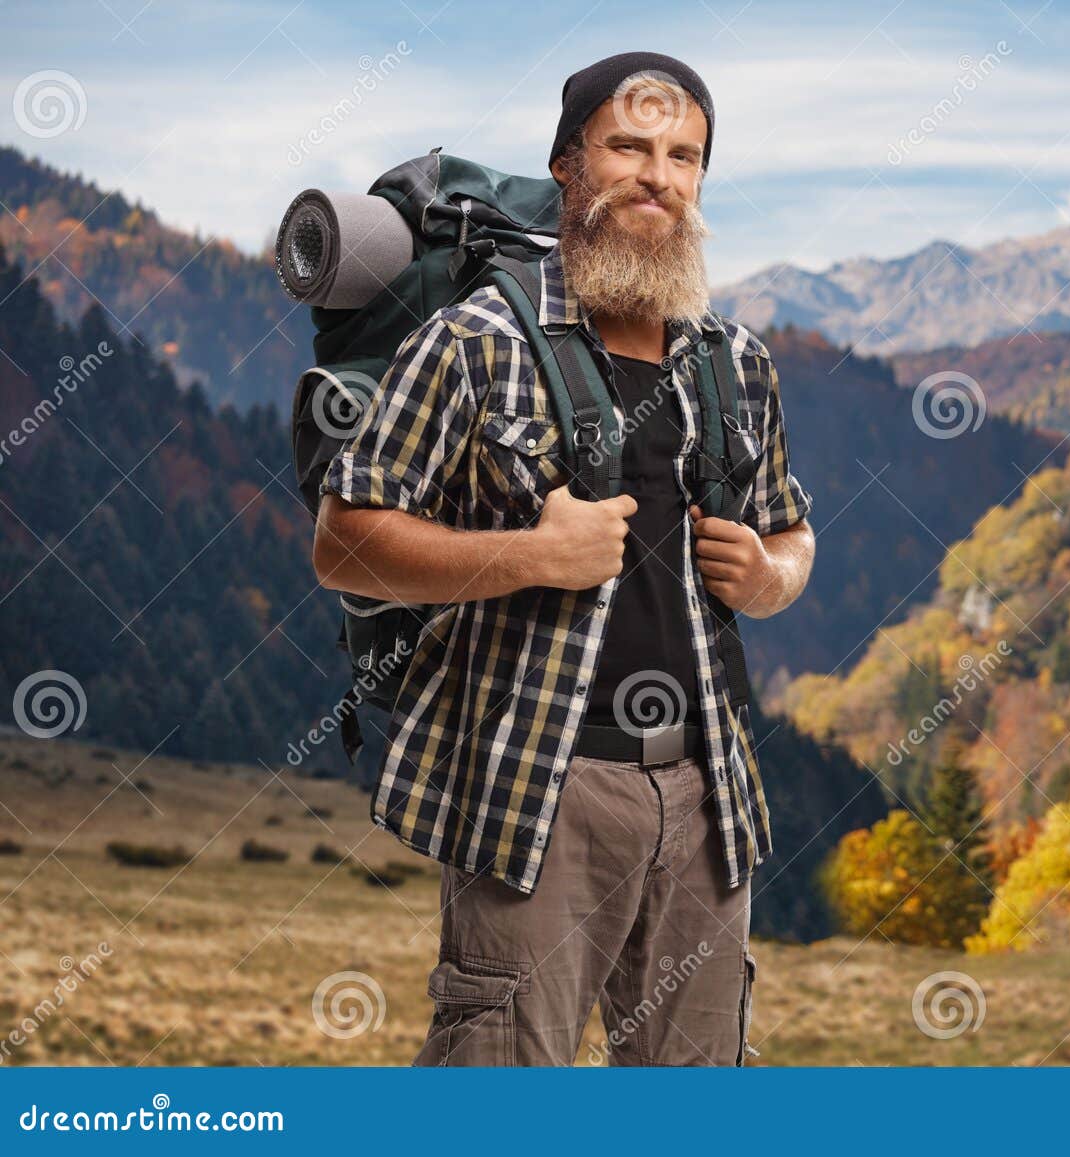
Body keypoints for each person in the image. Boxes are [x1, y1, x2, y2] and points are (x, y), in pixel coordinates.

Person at [312, 51, 815, 1065]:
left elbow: (790, 530)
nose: (656, 175)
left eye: (683, 156)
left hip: (706, 790)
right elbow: (345, 541)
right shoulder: (475, 339)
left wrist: (772, 577)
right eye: (628, 146)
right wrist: (529, 554)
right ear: (568, 169)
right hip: (536, 787)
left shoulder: (738, 363)